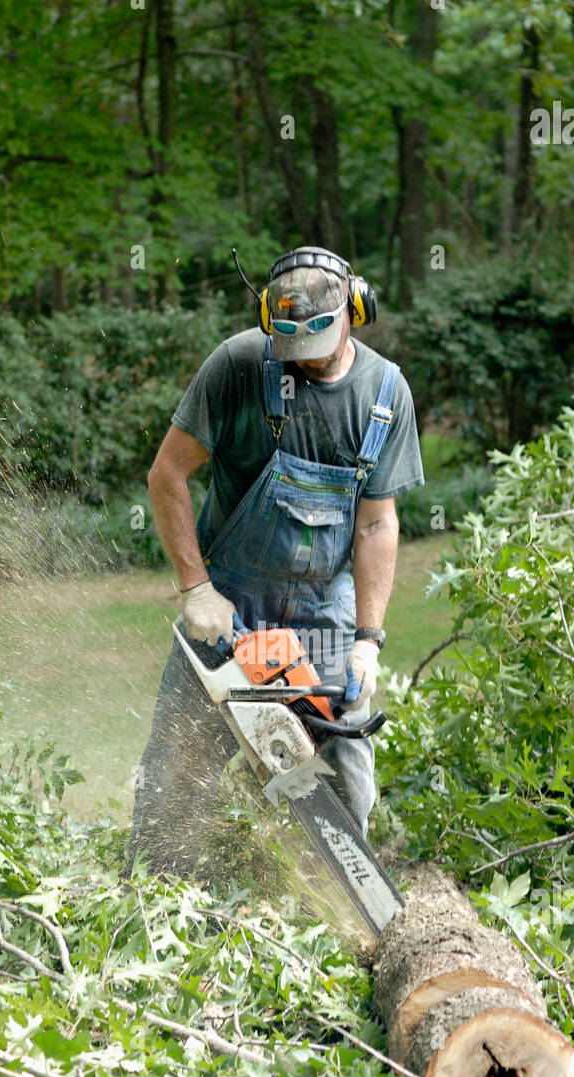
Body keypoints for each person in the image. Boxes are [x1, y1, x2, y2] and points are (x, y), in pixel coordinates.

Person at [126, 246, 424, 879]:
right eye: (288, 346)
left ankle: (339, 903)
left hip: (325, 603)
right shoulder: (236, 366)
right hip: (229, 600)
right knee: (176, 763)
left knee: (345, 770)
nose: (303, 361)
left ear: (355, 310)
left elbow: (376, 522)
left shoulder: (383, 392)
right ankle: (154, 895)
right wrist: (196, 589)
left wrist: (367, 639)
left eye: (315, 344)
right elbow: (167, 475)